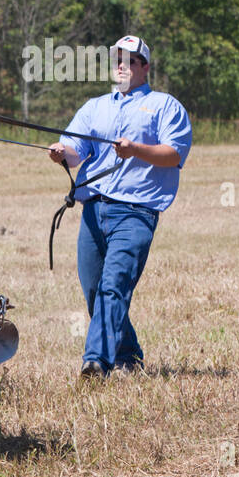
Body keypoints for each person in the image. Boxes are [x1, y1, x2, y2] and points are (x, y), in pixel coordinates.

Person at [48, 35, 192, 379]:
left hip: (137, 212)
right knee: (95, 289)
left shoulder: (165, 105)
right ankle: (129, 355)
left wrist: (137, 149)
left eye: (129, 60)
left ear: (145, 67)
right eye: (117, 59)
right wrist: (60, 154)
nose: (121, 65)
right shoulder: (95, 106)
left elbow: (174, 154)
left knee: (114, 285)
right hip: (94, 210)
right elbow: (75, 150)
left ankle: (96, 361)